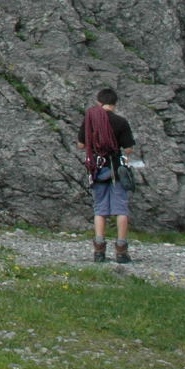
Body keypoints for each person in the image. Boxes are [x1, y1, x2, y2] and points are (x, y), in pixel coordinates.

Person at [77, 87, 137, 263]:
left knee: (100, 209)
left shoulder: (90, 120)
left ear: (99, 102)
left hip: (96, 168)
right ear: (115, 103)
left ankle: (99, 250)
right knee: (121, 209)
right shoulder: (121, 122)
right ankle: (121, 251)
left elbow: (81, 145)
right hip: (116, 169)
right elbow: (128, 149)